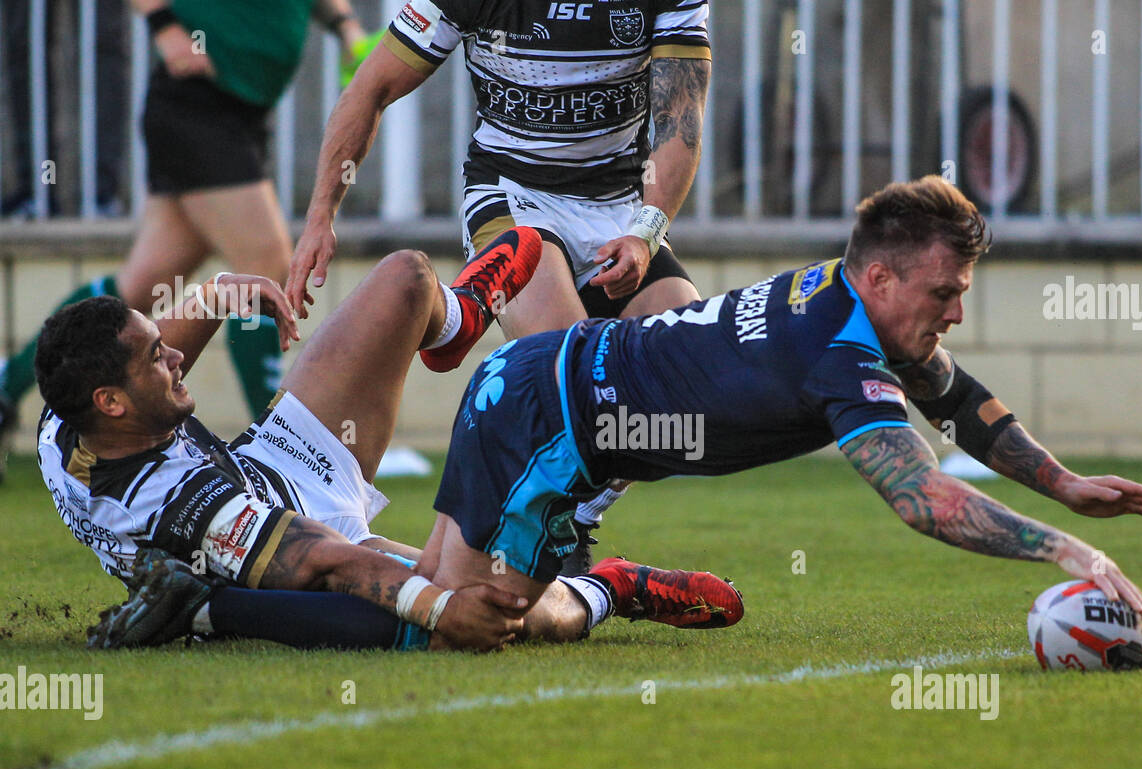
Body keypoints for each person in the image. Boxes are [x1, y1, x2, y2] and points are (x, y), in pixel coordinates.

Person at [415, 177, 1142, 633]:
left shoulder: (843, 292)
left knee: (437, 584)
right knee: (466, 621)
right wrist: (1068, 551)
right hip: (544, 419)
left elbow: (957, 397)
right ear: (882, 277)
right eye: (944, 293)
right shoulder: (838, 352)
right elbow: (922, 498)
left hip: (534, 384)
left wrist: (1063, 483)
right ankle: (608, 589)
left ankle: (597, 586)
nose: (955, 314)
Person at [35, 226, 742, 652]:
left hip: (268, 463)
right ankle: (611, 587)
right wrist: (440, 607)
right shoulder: (183, 508)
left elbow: (149, 350)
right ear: (113, 403)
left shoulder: (66, 419)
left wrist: (223, 291)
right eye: (156, 357)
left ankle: (457, 319)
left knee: (406, 277)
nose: (175, 356)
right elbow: (326, 561)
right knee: (494, 604)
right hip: (290, 539)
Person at [286, 0, 714, 570]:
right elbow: (371, 88)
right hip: (514, 196)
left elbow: (681, 118)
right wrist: (321, 215)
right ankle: (538, 527)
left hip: (619, 207)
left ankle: (571, 517)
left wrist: (645, 232)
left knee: (684, 382)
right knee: (573, 372)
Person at [0, 0, 369, 482]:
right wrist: (166, 28)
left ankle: (5, 388)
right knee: (265, 267)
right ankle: (284, 450)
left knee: (140, 284)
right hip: (199, 105)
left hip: (239, 113)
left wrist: (345, 26)